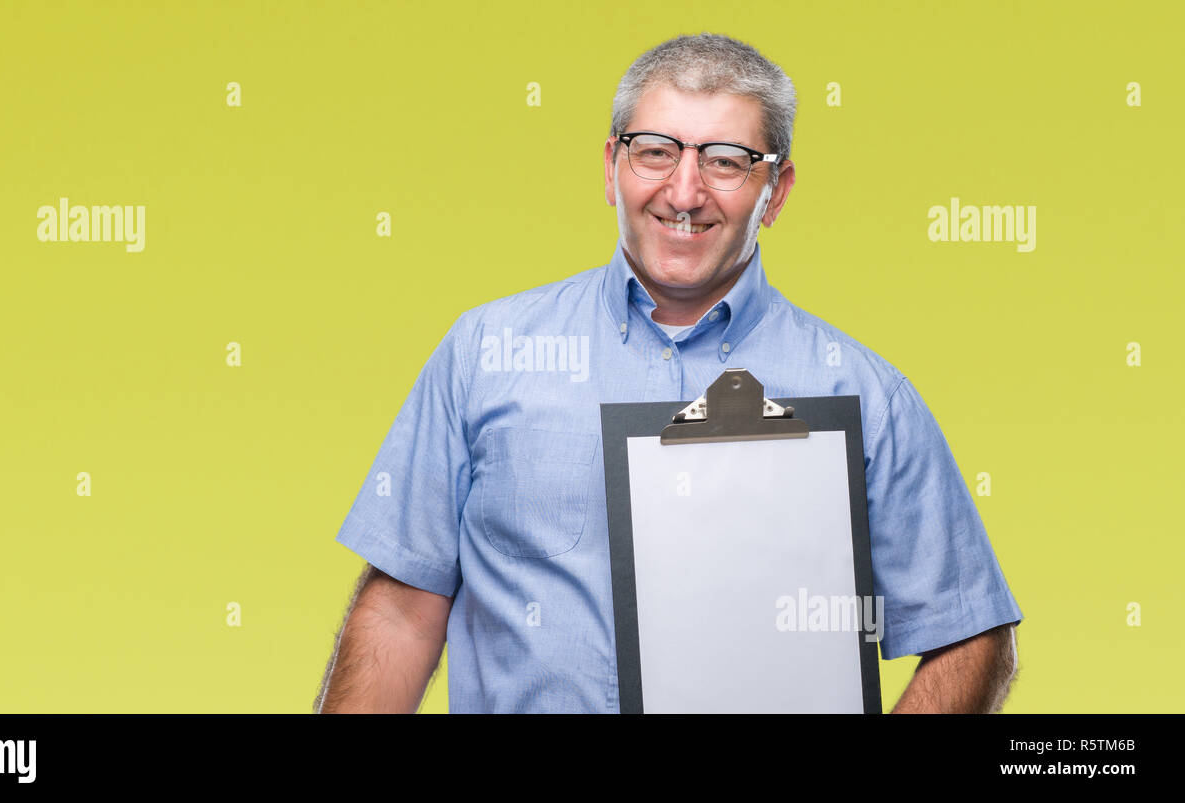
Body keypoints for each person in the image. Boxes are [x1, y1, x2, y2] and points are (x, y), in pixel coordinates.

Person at [315, 32, 1022, 714]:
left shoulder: (864, 396)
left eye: (725, 161)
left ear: (774, 191)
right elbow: (403, 613)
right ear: (610, 167)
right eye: (655, 152)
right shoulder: (486, 354)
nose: (684, 193)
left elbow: (971, 634)